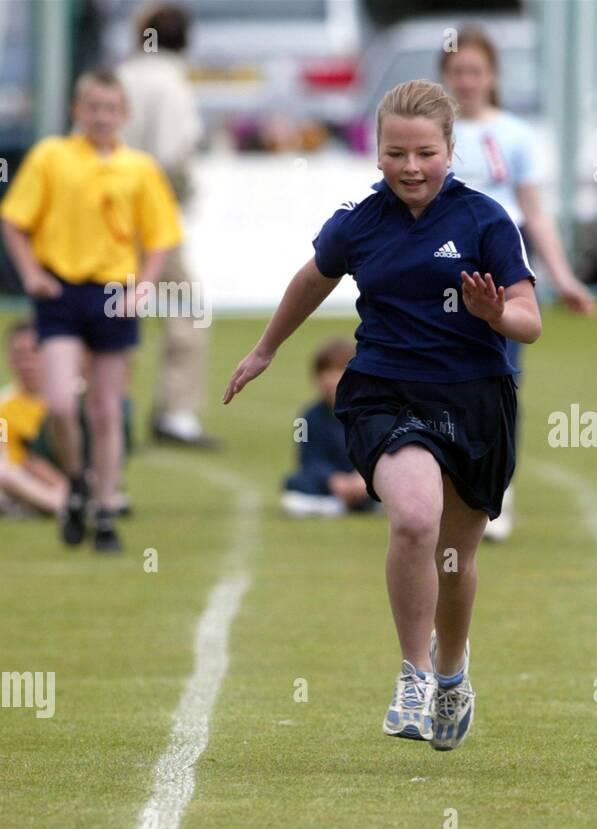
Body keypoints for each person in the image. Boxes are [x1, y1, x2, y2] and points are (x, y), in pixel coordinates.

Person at [223, 80, 539, 751]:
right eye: (395, 153)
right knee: (415, 517)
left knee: (455, 558)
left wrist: (493, 315)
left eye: (425, 152)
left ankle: (452, 672)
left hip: (476, 397)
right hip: (385, 392)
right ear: (377, 153)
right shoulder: (359, 221)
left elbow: (529, 321)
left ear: (450, 150)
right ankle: (414, 673)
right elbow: (314, 277)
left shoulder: (486, 221)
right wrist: (265, 348)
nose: (411, 167)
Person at [0, 68, 181, 553]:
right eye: (92, 107)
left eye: (110, 108)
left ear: (125, 114)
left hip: (113, 292)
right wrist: (32, 273)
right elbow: (14, 220)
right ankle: (76, 480)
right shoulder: (51, 157)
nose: (101, 116)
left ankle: (104, 510)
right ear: (76, 111)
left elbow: (160, 237)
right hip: (61, 291)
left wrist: (144, 286)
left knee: (105, 408)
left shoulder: (139, 168)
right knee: (60, 401)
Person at [440, 24, 597, 543]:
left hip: (498, 277)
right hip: (438, 277)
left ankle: (494, 494)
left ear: (492, 76)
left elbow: (535, 213)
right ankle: (432, 487)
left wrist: (565, 276)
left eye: (476, 71)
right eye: (457, 71)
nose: (466, 81)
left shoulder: (515, 135)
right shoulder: (430, 137)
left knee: (499, 385)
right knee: (432, 383)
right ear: (445, 75)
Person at [118, 1, 216, 448]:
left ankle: (105, 406)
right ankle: (175, 413)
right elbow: (173, 152)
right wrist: (181, 194)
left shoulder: (120, 75)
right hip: (151, 214)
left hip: (107, 213)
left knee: (110, 309)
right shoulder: (171, 82)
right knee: (185, 311)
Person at [0, 321, 66, 517]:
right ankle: (57, 504)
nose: (26, 363)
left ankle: (53, 503)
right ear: (8, 359)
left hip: (69, 475)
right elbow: (4, 453)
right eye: (18, 355)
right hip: (25, 475)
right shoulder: (3, 402)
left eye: (33, 353)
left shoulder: (67, 397)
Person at [281, 338, 375, 517]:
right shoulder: (306, 417)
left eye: (339, 371)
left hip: (367, 481)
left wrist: (363, 478)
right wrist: (333, 479)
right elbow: (308, 459)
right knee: (293, 482)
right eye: (325, 371)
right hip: (330, 483)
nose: (331, 379)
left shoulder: (372, 413)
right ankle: (340, 505)